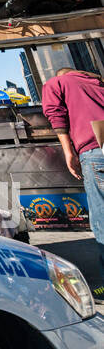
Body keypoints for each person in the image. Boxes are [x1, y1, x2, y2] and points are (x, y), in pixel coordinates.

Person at [41, 67, 104, 296]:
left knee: (103, 222)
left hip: (95, 152)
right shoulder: (97, 83)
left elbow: (54, 113)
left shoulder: (57, 83)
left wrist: (69, 152)